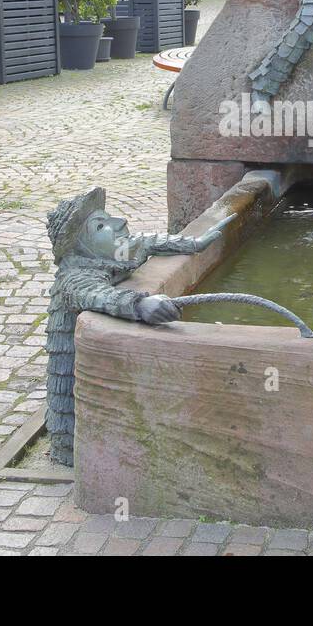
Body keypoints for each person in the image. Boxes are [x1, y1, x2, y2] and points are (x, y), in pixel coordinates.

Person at [43, 187, 229, 464]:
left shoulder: (105, 256)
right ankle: (68, 455)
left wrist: (193, 244)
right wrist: (141, 305)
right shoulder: (75, 277)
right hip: (69, 405)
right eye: (101, 226)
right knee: (72, 432)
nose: (119, 223)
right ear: (81, 245)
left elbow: (145, 242)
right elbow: (100, 296)